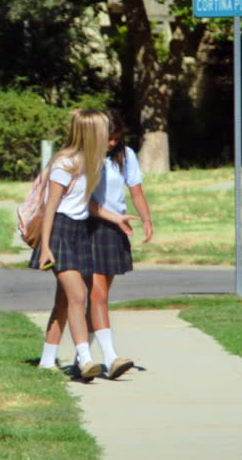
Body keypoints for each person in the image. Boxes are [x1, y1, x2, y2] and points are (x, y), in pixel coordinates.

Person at [32, 109, 136, 381]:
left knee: (68, 299)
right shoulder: (64, 164)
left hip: (80, 231)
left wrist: (116, 218)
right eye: (103, 132)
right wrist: (45, 247)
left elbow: (85, 203)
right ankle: (86, 360)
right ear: (92, 135)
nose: (109, 139)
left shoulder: (92, 162)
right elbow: (50, 207)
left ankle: (58, 359)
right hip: (59, 232)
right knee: (78, 295)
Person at [82, 109, 153, 380]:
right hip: (89, 226)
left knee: (99, 297)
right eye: (107, 138)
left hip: (116, 227)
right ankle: (110, 358)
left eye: (116, 138)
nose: (112, 143)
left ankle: (83, 358)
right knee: (96, 294)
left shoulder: (127, 156)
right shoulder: (86, 157)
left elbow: (136, 191)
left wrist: (147, 219)